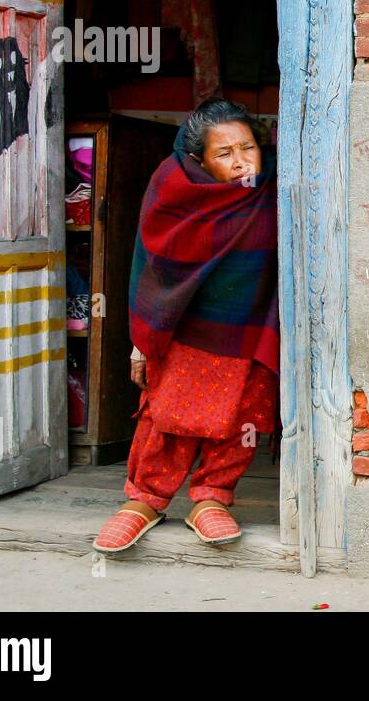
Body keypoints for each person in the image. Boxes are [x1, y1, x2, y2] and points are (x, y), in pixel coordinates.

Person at [93, 99, 280, 553]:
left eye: (248, 148)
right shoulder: (173, 187)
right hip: (184, 325)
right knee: (169, 410)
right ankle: (146, 499)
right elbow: (152, 270)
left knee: (243, 409)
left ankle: (213, 496)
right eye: (225, 154)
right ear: (198, 159)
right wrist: (143, 343)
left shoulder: (275, 183)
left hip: (251, 321)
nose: (241, 163)